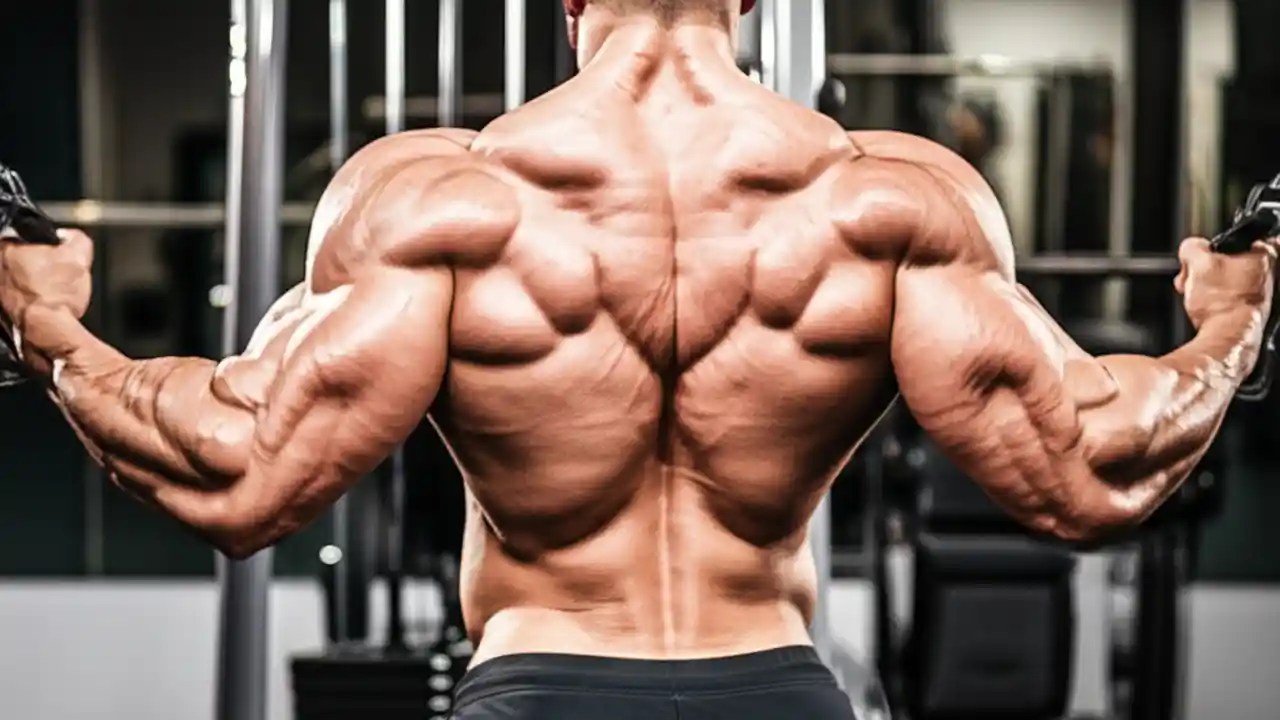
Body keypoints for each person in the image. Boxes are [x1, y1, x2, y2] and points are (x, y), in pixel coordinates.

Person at [0, 0, 1273, 717]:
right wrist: (1235, 319)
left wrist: (45, 323)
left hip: (537, 690)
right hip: (773, 693)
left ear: (565, 5)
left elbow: (238, 476)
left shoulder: (444, 203)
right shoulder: (887, 202)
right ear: (748, 0)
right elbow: (1087, 472)